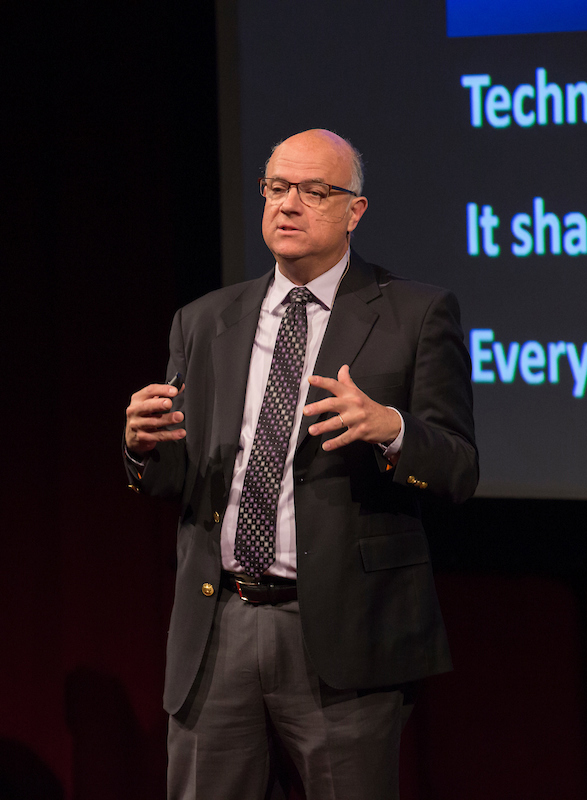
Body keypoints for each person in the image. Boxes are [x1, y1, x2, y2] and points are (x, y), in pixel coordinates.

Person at [124, 129, 477, 799]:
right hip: (219, 625)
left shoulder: (413, 314)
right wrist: (144, 448)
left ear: (354, 211)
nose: (288, 205)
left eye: (314, 191)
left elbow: (458, 467)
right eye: (276, 188)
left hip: (341, 635)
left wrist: (392, 430)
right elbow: (177, 479)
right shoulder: (204, 320)